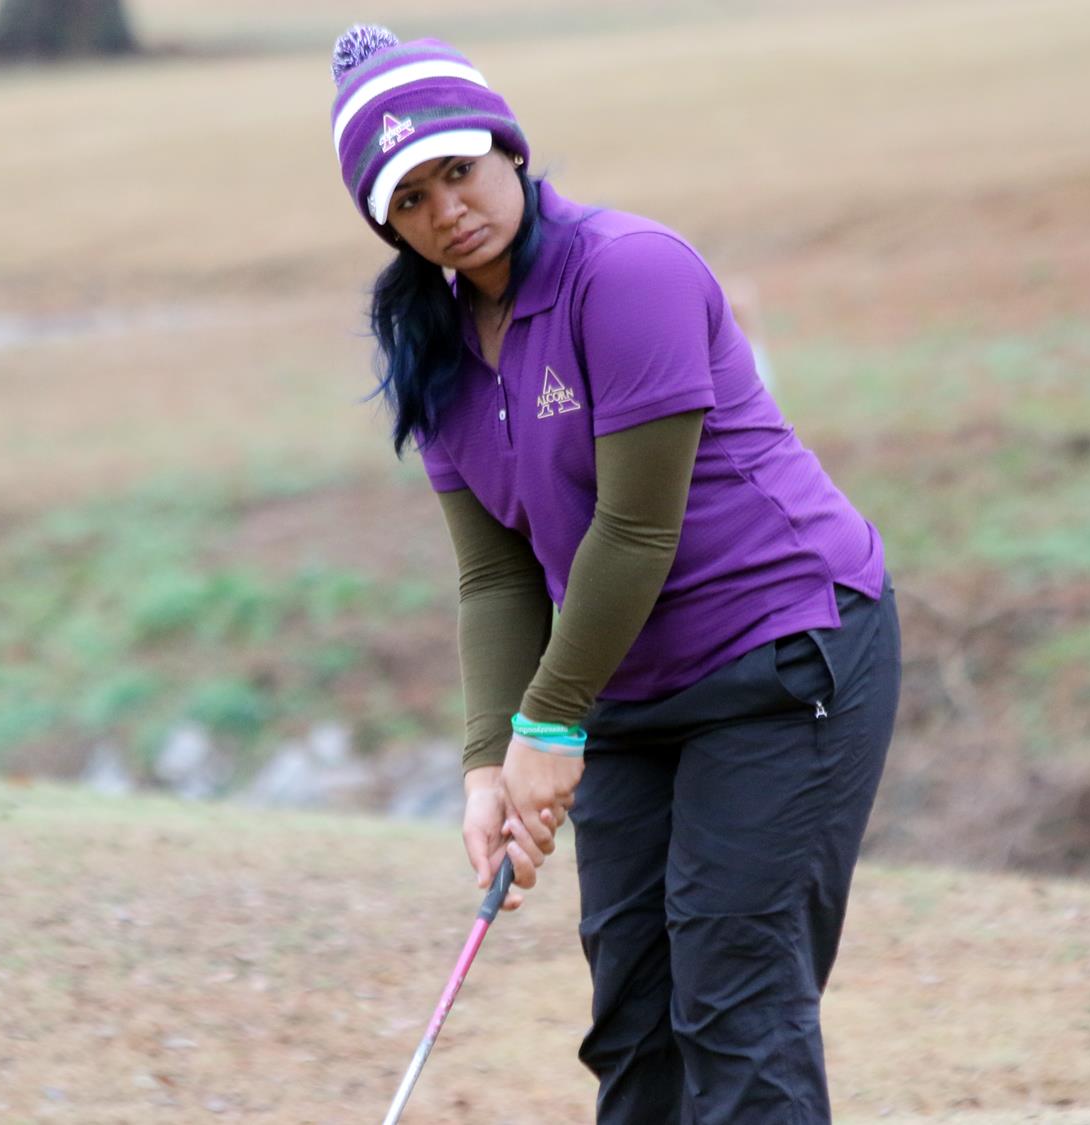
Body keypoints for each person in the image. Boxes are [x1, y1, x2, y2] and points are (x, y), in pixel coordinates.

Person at [328, 25, 900, 1124]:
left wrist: (546, 726)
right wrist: (488, 763)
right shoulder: (436, 354)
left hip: (785, 653)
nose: (447, 207)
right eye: (410, 197)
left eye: (458, 168)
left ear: (508, 150)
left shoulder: (626, 272)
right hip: (627, 689)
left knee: (734, 1003)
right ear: (388, 226)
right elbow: (495, 581)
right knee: (633, 1024)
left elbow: (637, 530)